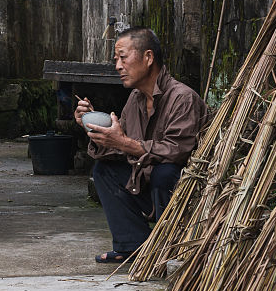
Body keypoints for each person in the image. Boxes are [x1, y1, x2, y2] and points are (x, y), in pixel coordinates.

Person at [74, 27, 207, 263]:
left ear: (148, 57)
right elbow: (119, 147)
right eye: (116, 60)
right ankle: (132, 246)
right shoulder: (134, 100)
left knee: (165, 173)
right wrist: (95, 129)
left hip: (184, 193)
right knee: (105, 171)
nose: (117, 66)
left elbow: (177, 151)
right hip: (146, 184)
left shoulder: (182, 98)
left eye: (123, 58)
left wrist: (125, 142)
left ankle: (172, 247)